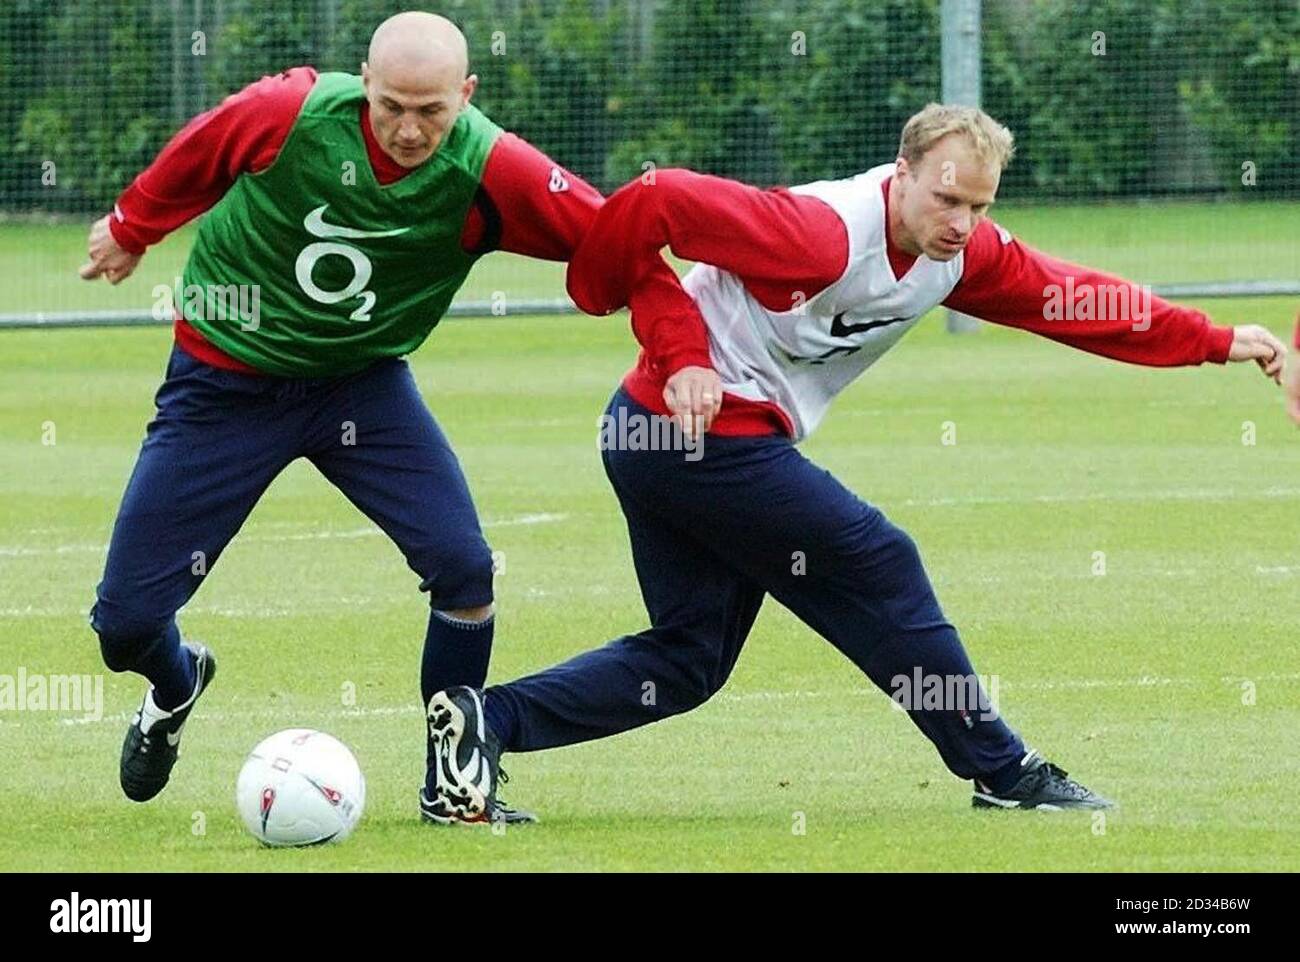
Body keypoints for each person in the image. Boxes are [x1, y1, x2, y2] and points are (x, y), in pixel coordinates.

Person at [422, 103, 1287, 819]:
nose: (963, 224)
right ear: (901, 172)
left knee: (686, 662)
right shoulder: (820, 233)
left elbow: (1070, 299)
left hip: (661, 441)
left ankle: (483, 722)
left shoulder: (958, 255)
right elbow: (657, 200)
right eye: (948, 199)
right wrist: (632, 314)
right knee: (877, 558)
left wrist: (1214, 340)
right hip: (688, 437)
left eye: (980, 206)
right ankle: (1003, 771)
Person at [78, 11, 698, 825]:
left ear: (466, 95)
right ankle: (175, 682)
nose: (409, 129)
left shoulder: (493, 169)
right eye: (391, 106)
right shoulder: (291, 111)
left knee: (464, 569)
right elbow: (205, 145)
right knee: (123, 624)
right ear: (364, 83)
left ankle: (453, 782)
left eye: (431, 111)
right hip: (222, 384)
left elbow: (618, 242)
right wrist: (133, 226)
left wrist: (683, 352)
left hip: (360, 390)